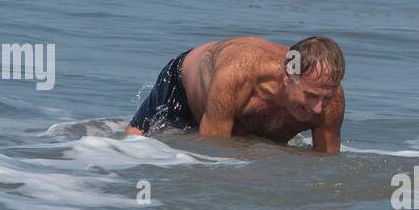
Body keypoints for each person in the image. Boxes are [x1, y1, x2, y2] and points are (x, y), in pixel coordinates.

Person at [126, 35, 345, 152]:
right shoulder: (237, 74)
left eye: (325, 97)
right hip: (184, 87)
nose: (318, 108)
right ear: (288, 77)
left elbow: (325, 164)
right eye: (310, 96)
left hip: (238, 111)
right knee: (135, 141)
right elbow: (211, 150)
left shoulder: (330, 99)